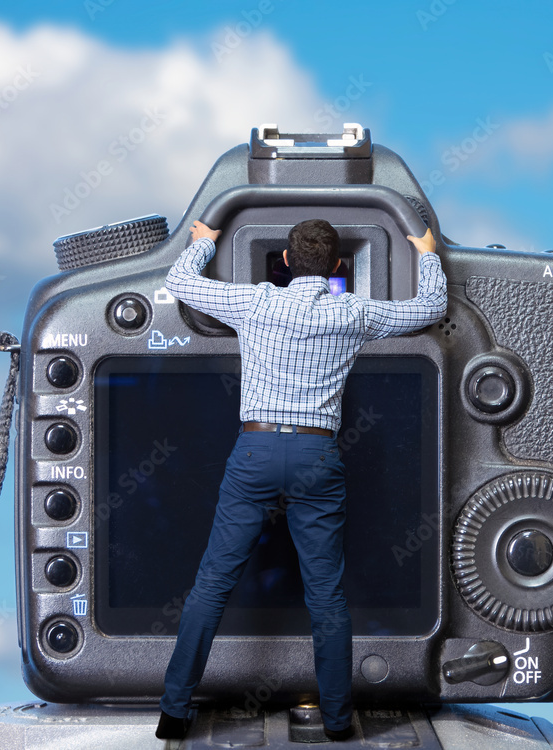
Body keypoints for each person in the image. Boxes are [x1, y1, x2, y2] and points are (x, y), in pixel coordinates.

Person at [156, 217, 447, 741]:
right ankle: (338, 724)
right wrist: (427, 252)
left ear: (285, 262)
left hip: (256, 448)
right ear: (338, 268)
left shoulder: (257, 302)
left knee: (212, 584)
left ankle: (173, 712)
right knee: (327, 596)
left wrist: (202, 245)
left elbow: (179, 284)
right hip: (318, 454)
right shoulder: (353, 310)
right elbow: (431, 308)